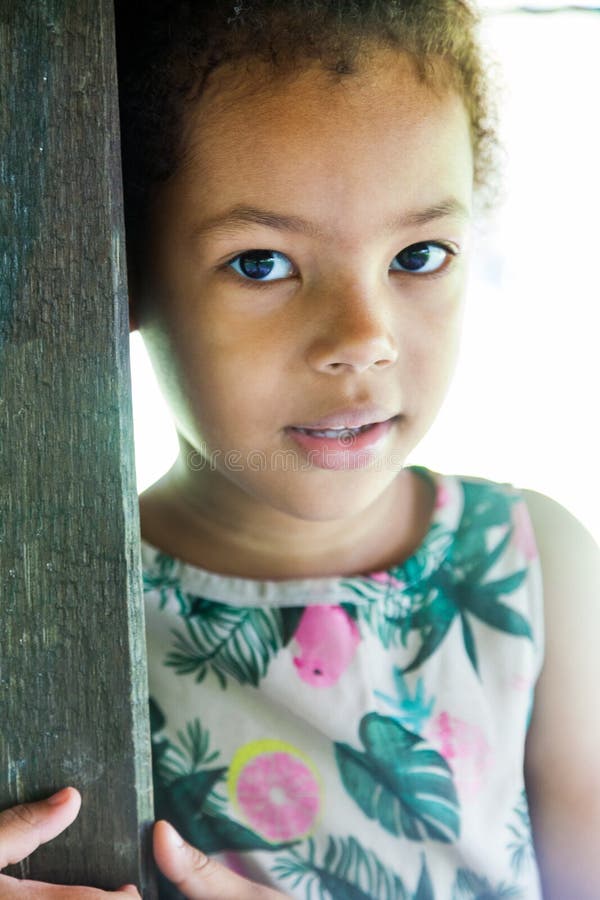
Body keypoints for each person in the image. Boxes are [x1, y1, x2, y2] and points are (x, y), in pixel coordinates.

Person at [2, 1, 599, 897]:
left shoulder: (535, 565)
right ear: (122, 277)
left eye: (421, 254)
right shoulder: (39, 613)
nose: (364, 338)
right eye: (262, 263)